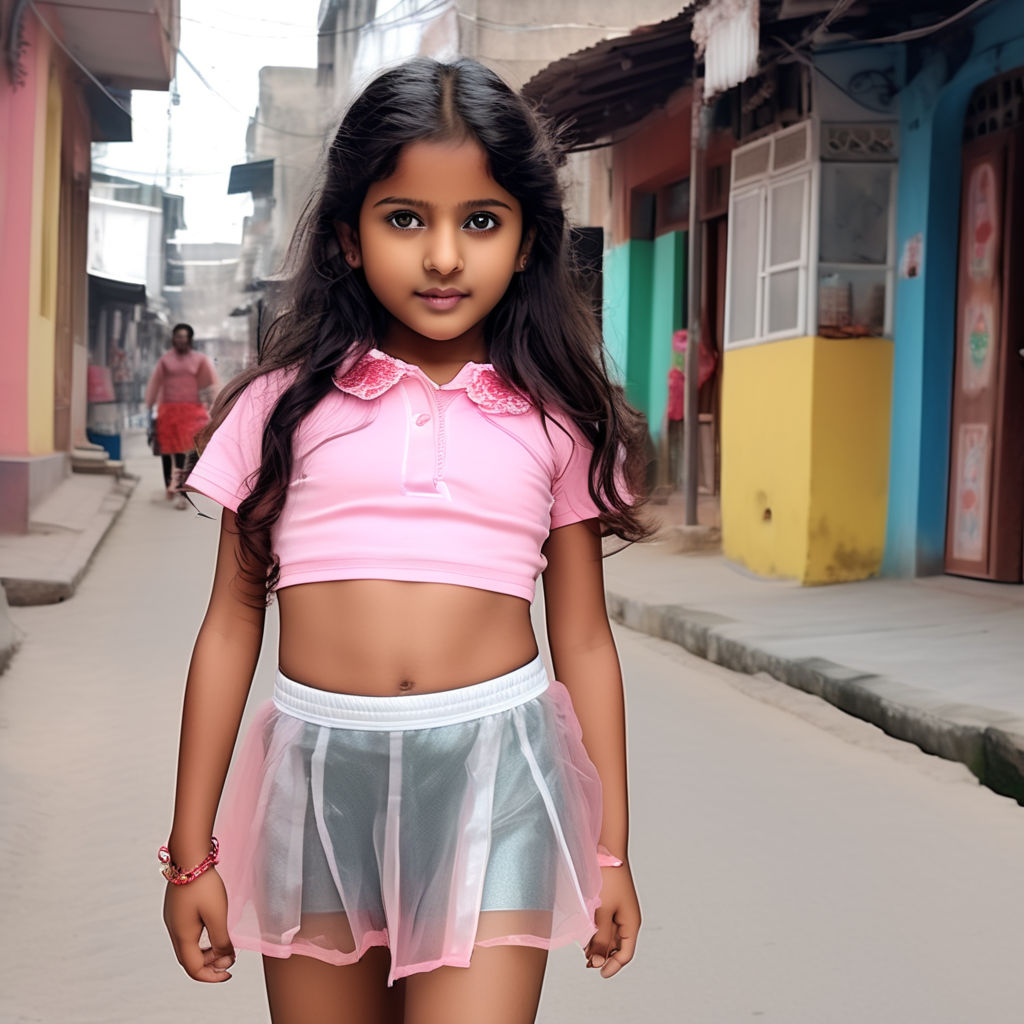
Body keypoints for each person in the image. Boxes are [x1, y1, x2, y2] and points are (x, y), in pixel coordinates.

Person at [161, 57, 651, 1024]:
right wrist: (190, 856)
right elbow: (229, 628)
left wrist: (609, 853)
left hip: (497, 780)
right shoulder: (279, 410)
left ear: (525, 240)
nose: (442, 257)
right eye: (405, 219)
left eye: (480, 220)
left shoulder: (556, 421)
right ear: (347, 237)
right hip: (317, 781)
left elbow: (585, 642)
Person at [144, 323, 219, 509]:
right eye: (177, 337)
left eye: (184, 337)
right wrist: (149, 405)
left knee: (185, 451)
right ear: (173, 339)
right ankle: (170, 485)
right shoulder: (165, 361)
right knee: (167, 451)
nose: (180, 341)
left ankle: (181, 492)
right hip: (168, 411)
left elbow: (210, 385)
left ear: (190, 340)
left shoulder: (199, 361)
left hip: (191, 411)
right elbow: (155, 383)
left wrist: (215, 407)